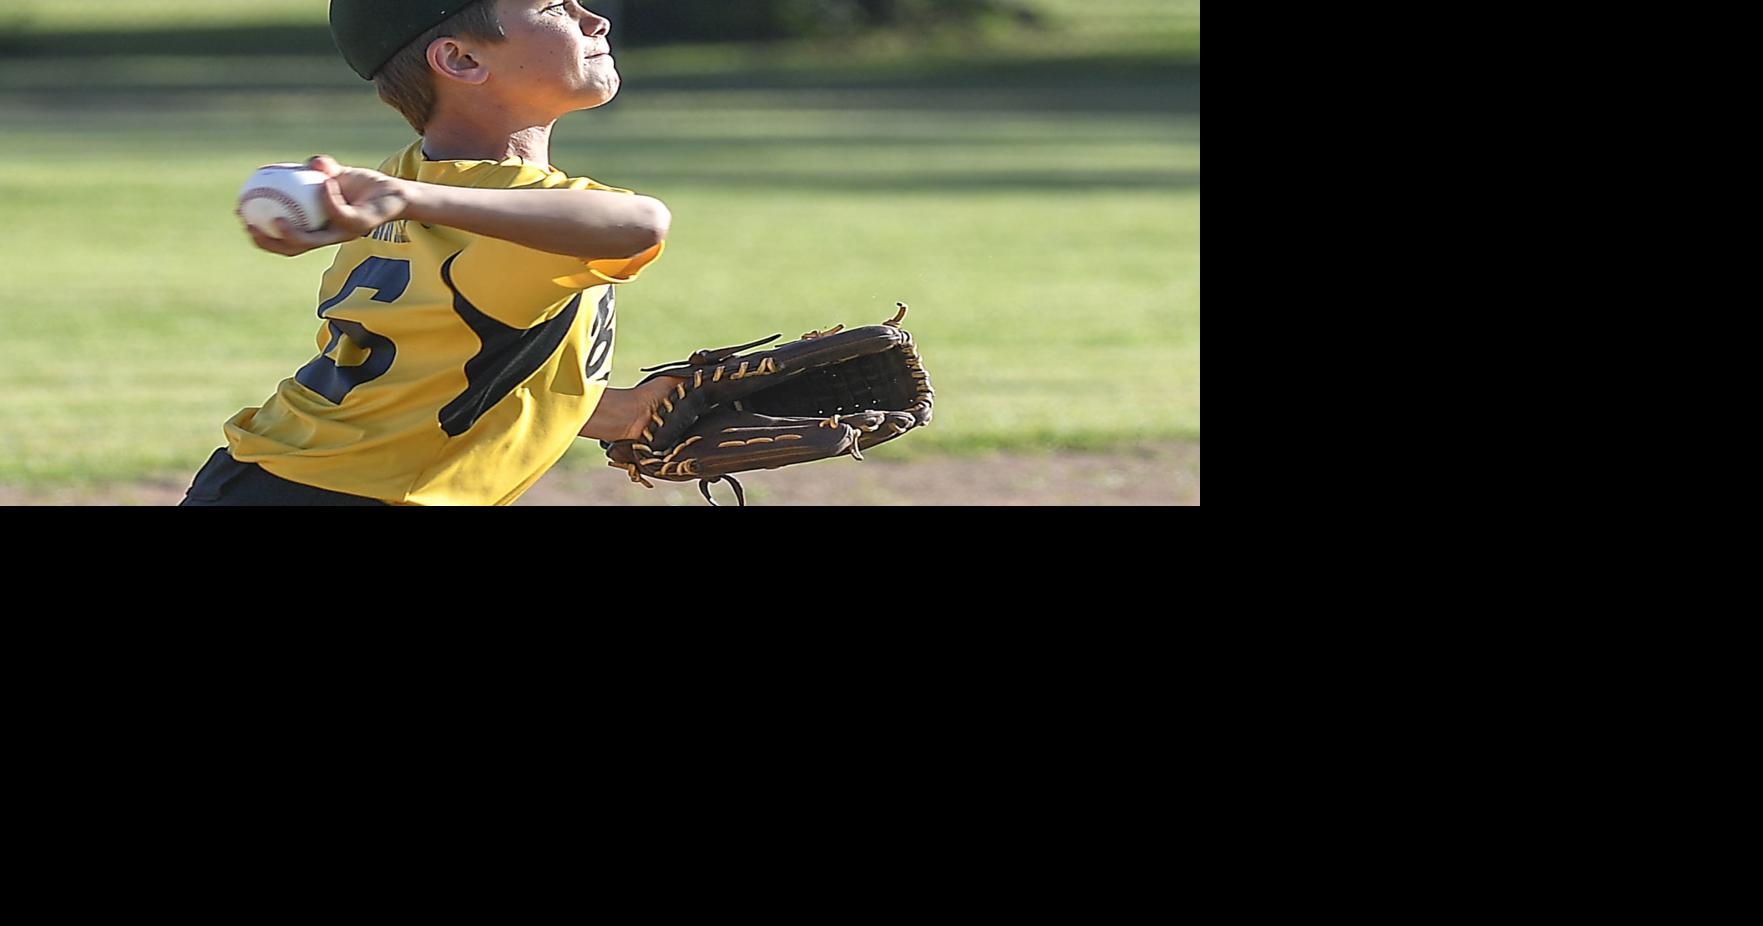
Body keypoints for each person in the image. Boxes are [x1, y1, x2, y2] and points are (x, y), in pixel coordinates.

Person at [180, 0, 685, 506]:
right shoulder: (452, 202)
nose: (595, 20)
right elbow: (641, 225)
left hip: (277, 479)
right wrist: (407, 201)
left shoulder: (411, 173)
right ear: (462, 60)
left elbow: (441, 372)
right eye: (555, 7)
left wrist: (619, 411)